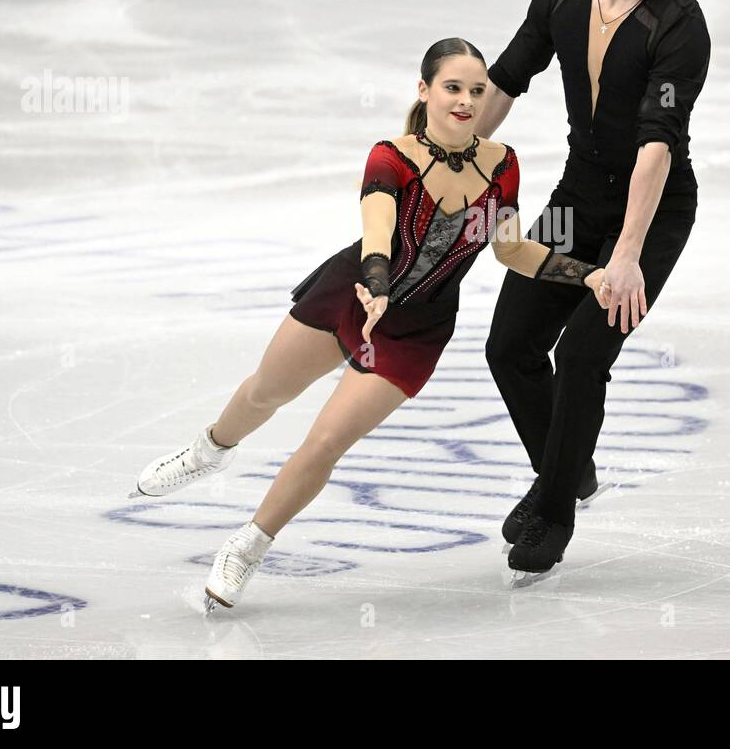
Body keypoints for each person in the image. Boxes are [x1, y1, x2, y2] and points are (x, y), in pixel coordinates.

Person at [130, 38, 609, 610]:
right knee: (266, 392)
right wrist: (376, 287)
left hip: (418, 331)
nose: (465, 101)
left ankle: (249, 545)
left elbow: (510, 250)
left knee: (325, 442)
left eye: (477, 91)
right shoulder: (391, 155)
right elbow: (377, 230)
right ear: (424, 89)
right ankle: (210, 450)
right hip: (350, 295)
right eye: (452, 87)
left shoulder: (502, 163)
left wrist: (588, 275)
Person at [477, 0, 711, 574]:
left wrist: (628, 255)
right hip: (579, 198)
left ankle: (553, 516)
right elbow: (505, 81)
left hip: (654, 210)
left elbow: (656, 146)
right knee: (510, 344)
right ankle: (569, 470)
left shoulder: (678, 24)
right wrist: (457, 165)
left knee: (581, 352)